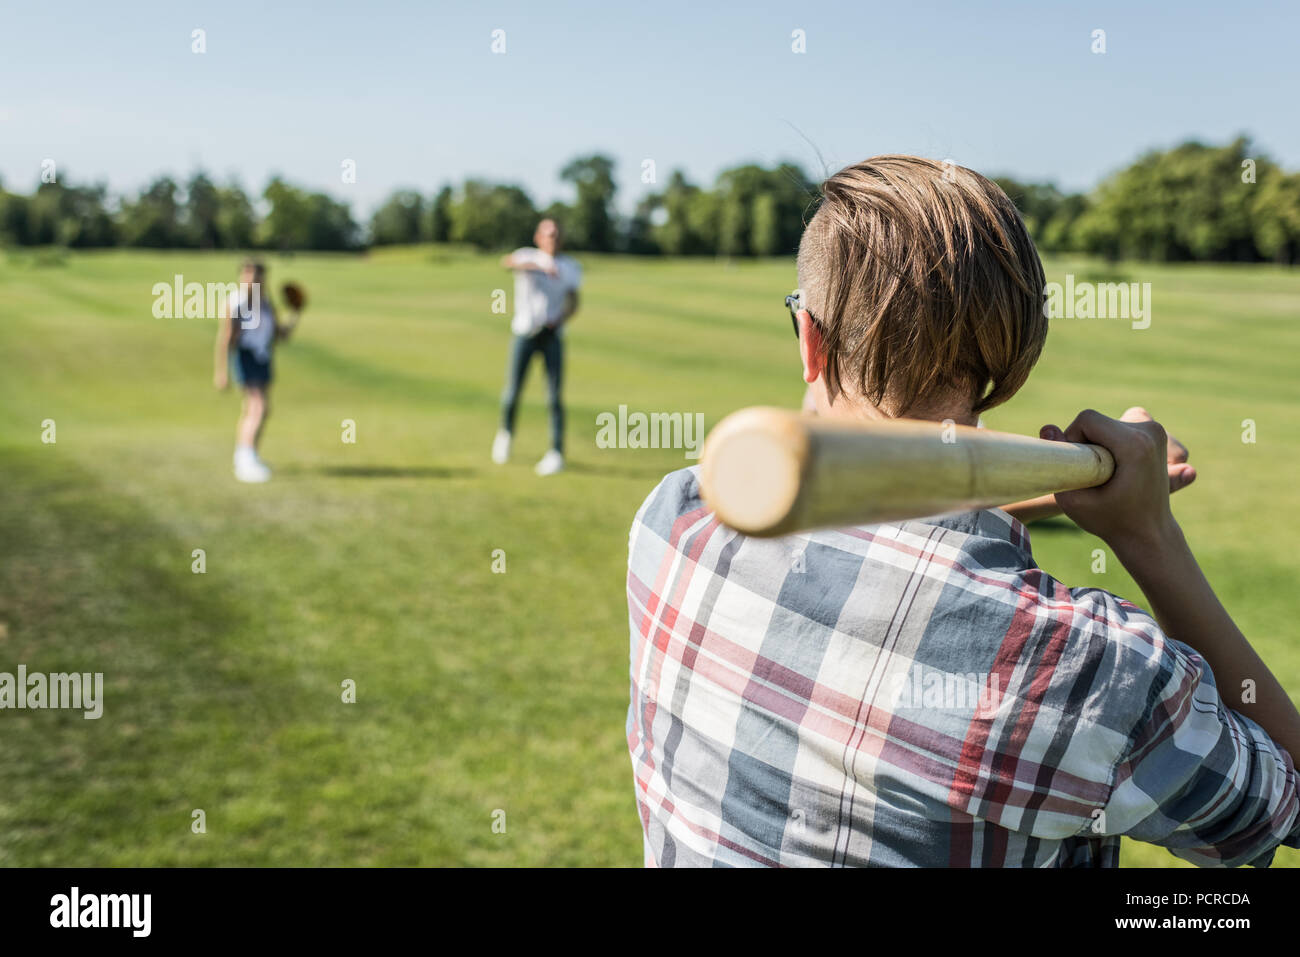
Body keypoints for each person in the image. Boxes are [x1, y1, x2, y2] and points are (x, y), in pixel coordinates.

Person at [626, 155, 1300, 868]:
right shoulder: (1094, 671)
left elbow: (884, 549)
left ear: (811, 340)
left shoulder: (679, 516)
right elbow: (1286, 805)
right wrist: (1150, 533)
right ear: (1013, 357)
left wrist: (1055, 499)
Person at [492, 219, 582, 475]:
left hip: (552, 334)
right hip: (524, 331)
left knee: (554, 396)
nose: (552, 238)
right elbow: (508, 262)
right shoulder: (527, 257)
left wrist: (560, 319)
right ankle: (505, 435)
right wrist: (541, 267)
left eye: (556, 234)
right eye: (547, 234)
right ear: (538, 237)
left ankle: (556, 452)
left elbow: (574, 301)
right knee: (513, 389)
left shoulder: (570, 267)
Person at [213, 259, 299, 482]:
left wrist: (295, 314)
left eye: (258, 275)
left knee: (257, 409)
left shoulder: (266, 304)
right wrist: (221, 371)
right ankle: (245, 460)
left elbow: (279, 336)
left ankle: (248, 455)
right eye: (249, 275)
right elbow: (225, 339)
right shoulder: (236, 303)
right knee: (258, 407)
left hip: (263, 357)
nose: (253, 280)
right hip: (245, 356)